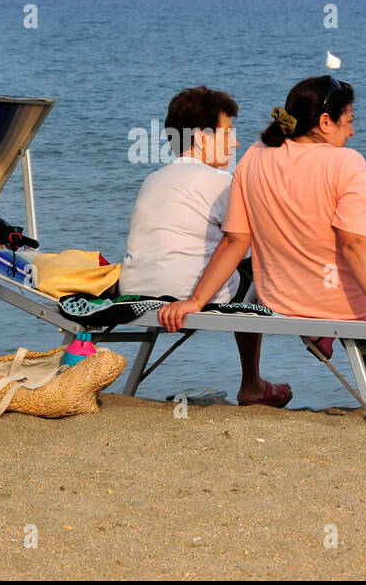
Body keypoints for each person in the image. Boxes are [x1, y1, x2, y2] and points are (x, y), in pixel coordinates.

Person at [158, 75, 366, 408]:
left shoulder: (254, 156)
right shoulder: (347, 163)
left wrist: (195, 301)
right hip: (334, 300)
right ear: (325, 122)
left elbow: (235, 241)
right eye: (349, 122)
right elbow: (354, 246)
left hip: (278, 298)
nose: (352, 131)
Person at [119, 86, 292, 407]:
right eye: (228, 132)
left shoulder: (153, 179)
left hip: (134, 289)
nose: (236, 142)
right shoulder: (222, 182)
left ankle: (253, 384)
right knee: (264, 263)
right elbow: (253, 244)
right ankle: (252, 384)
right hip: (187, 296)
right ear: (201, 138)